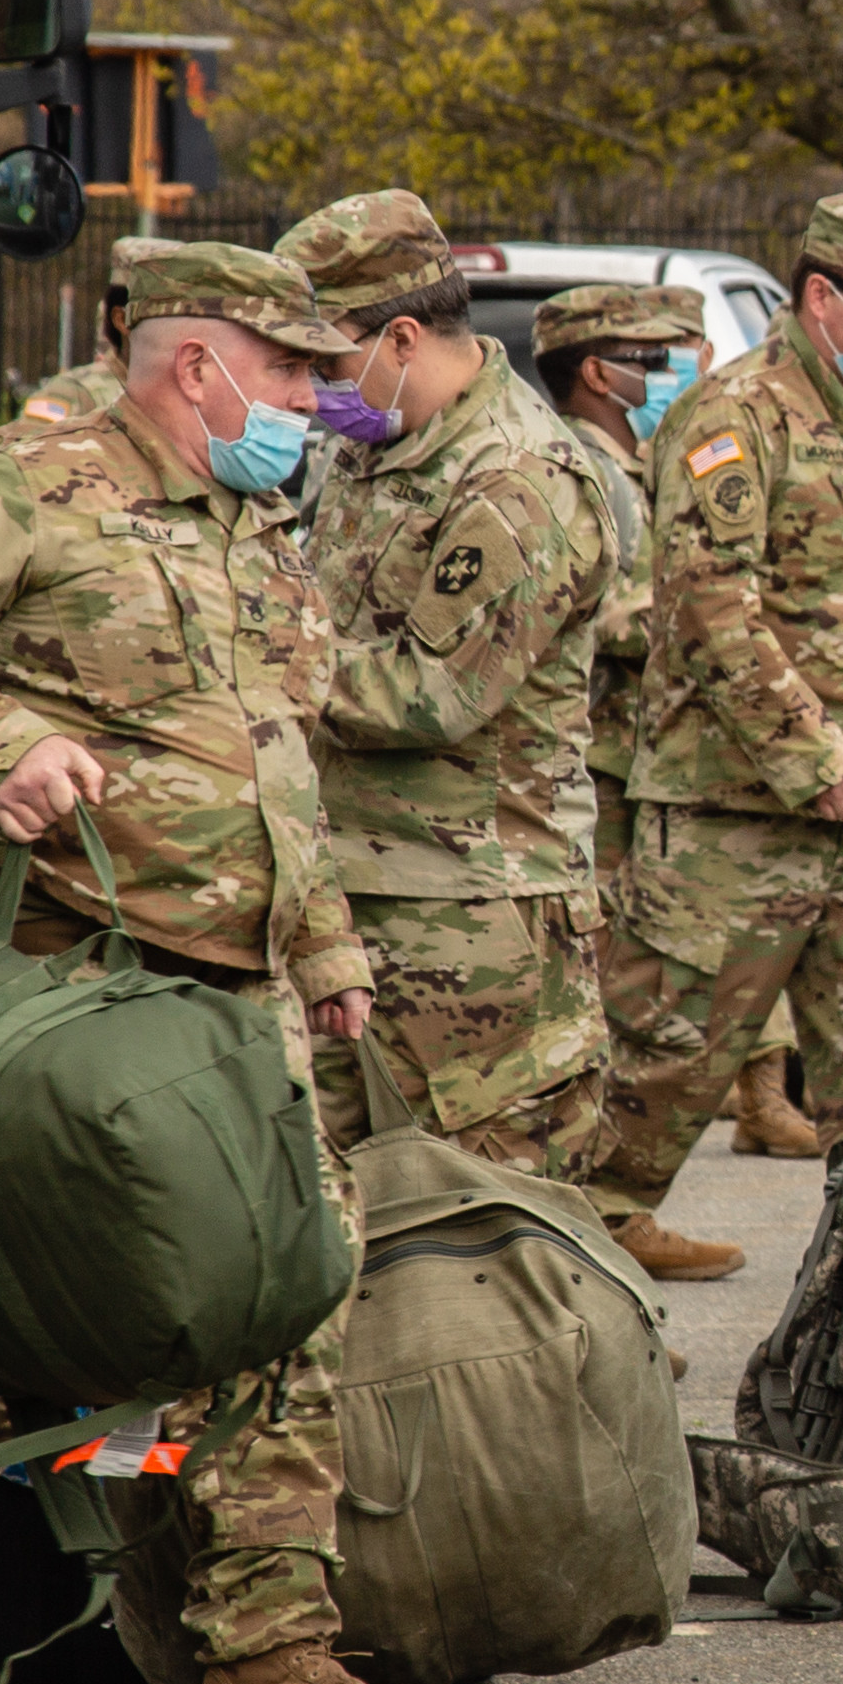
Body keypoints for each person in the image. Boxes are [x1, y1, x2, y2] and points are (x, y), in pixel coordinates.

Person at [0, 239, 464, 1684]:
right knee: (1, 1319)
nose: (313, 399)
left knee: (293, 1287)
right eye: (292, 371)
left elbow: (269, 760)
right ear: (198, 365)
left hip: (237, 991)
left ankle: (270, 1661)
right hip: (69, 979)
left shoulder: (246, 516)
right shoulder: (27, 480)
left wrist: (327, 956)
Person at [593, 194, 843, 1225]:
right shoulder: (733, 415)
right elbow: (710, 608)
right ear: (819, 295)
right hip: (737, 821)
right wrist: (815, 756)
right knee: (650, 1091)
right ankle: (568, 1321)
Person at [275, 194, 626, 1177]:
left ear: (400, 334)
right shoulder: (371, 442)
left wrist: (251, 652)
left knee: (497, 1231)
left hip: (477, 926)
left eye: (327, 365)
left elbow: (431, 696)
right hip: (356, 895)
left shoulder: (520, 478)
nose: (312, 392)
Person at [531, 279, 751, 1280]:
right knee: (611, 1003)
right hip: (603, 766)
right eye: (663, 356)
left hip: (640, 761)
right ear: (599, 372)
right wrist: (697, 619)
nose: (687, 372)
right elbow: (595, 612)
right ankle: (590, 1229)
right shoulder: (584, 469)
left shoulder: (637, 461)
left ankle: (608, 1220)